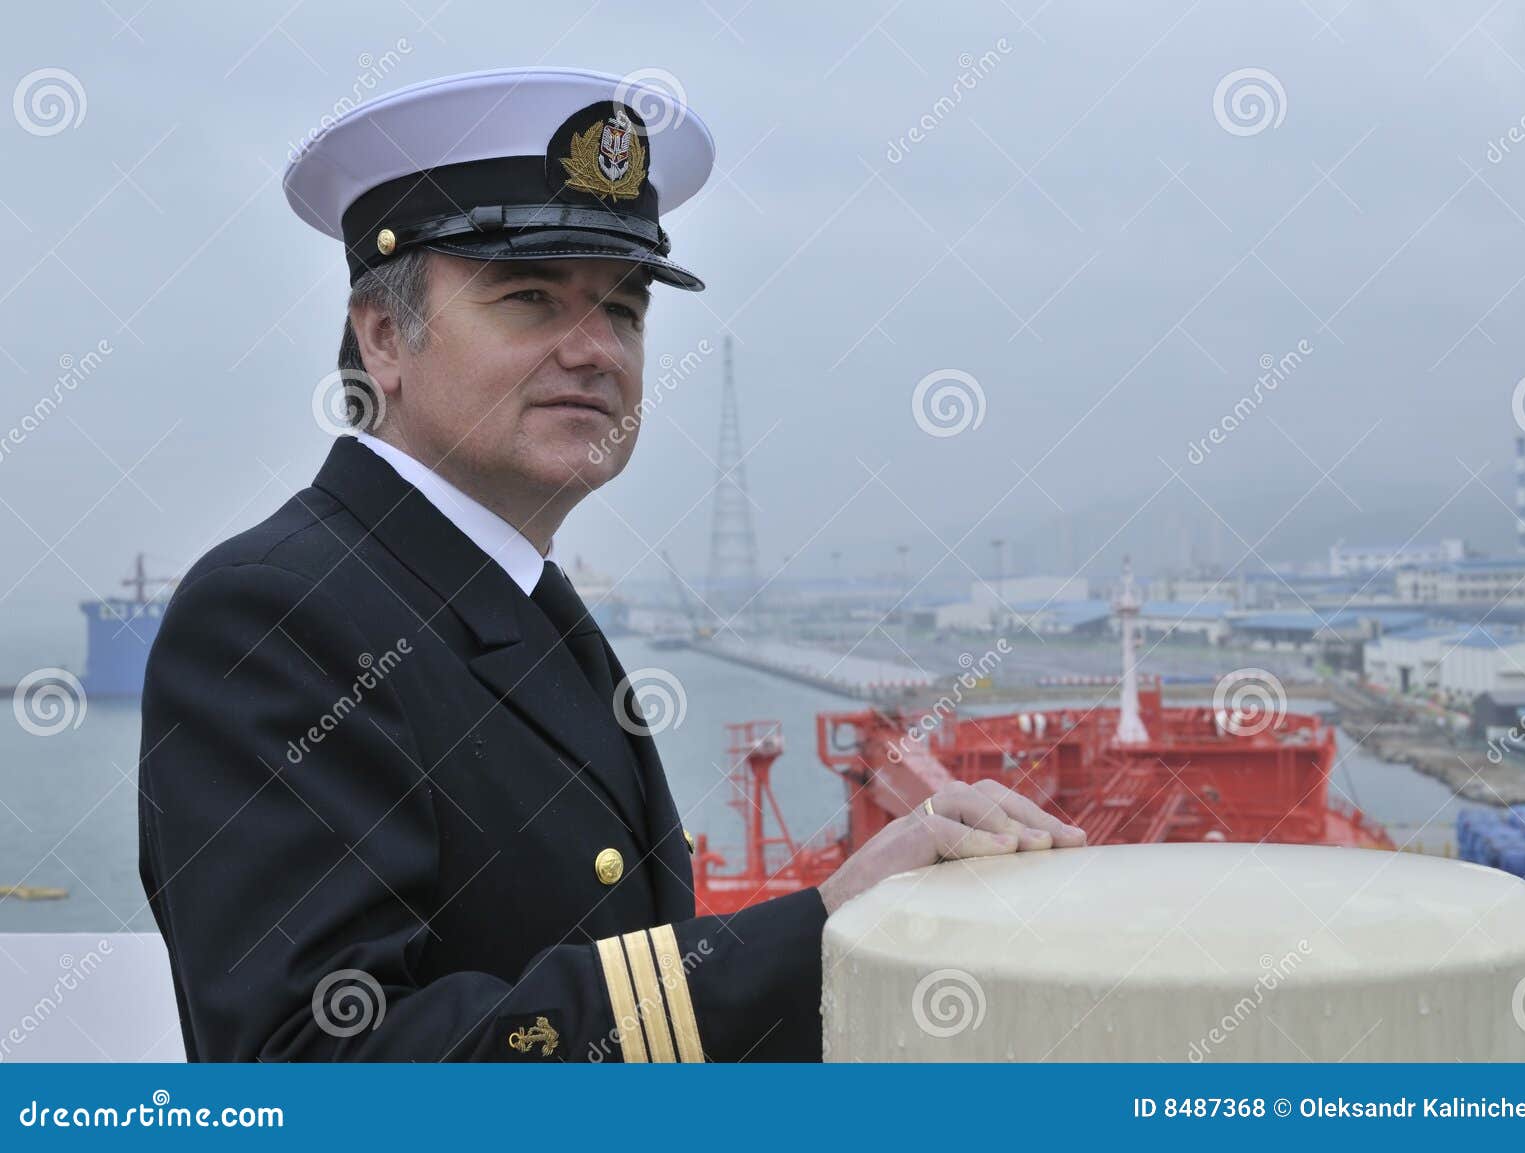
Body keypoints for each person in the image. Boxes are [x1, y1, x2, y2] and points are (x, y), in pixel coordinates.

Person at [136, 66, 1086, 1063]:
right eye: (532, 298)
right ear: (383, 338)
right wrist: (817, 932)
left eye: (624, 308)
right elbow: (317, 1068)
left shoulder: (505, 594)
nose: (596, 349)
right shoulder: (277, 613)